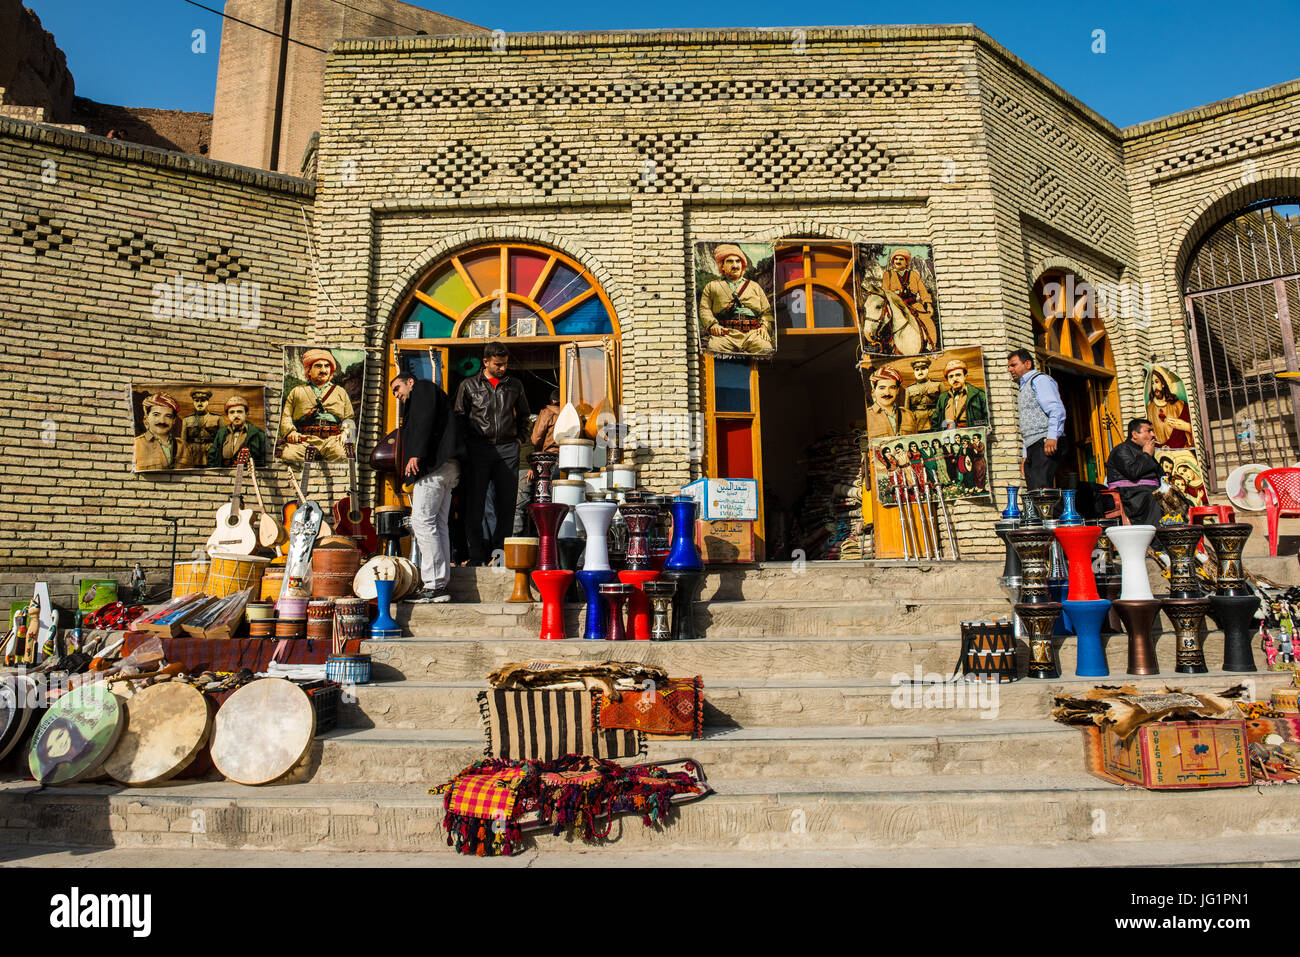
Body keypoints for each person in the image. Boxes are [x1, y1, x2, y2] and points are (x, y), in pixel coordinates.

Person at [454, 341, 531, 566]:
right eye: (498, 364)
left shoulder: (515, 385)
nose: (503, 369)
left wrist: (520, 439)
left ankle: (499, 554)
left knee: (507, 504)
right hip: (478, 449)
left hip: (508, 448)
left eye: (505, 364)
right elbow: (459, 416)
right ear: (485, 362)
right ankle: (476, 554)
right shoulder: (468, 385)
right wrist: (466, 446)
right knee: (475, 504)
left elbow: (524, 415)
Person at [392, 372, 465, 603]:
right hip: (448, 466)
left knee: (422, 521)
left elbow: (424, 419)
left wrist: (416, 454)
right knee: (438, 523)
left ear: (409, 382)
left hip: (433, 466)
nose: (396, 395)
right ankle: (439, 584)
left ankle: (433, 584)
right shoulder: (431, 393)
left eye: (397, 388)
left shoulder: (422, 389)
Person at [280, 348, 356, 464]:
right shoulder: (297, 391)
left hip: (332, 440)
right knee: (289, 456)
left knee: (344, 457)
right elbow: (286, 416)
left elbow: (349, 418)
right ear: (309, 371)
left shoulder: (340, 392)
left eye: (327, 366)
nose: (323, 370)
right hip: (304, 439)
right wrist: (290, 432)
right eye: (318, 366)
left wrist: (346, 432)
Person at [698, 244, 775, 355]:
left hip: (752, 333)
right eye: (730, 261)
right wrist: (712, 325)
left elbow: (766, 312)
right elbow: (704, 309)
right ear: (722, 266)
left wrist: (764, 326)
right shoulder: (712, 286)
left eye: (738, 261)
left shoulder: (754, 286)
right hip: (725, 333)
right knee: (714, 347)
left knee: (765, 348)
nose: (735, 265)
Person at [1008, 348, 1067, 490]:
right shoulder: (1023, 389)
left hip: (1044, 441)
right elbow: (1026, 424)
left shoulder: (1040, 380)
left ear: (1027, 364)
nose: (1010, 369)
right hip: (1033, 446)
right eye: (1009, 366)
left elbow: (1056, 409)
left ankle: (1056, 513)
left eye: (1013, 365)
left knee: (1042, 490)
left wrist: (1052, 436)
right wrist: (1025, 455)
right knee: (1035, 491)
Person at [1105, 418, 1164, 526]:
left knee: (1181, 502)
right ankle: (1155, 540)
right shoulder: (1121, 450)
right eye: (1149, 431)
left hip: (1146, 491)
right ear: (1135, 434)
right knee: (1154, 498)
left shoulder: (1145, 451)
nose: (1153, 434)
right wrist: (1146, 455)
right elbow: (1133, 472)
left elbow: (1160, 475)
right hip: (1131, 495)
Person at [879, 249, 937, 350]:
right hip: (896, 306)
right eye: (896, 259)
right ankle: (886, 347)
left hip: (913, 305)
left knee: (928, 321)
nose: (898, 261)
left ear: (906, 263)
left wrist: (928, 304)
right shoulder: (888, 275)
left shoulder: (913, 275)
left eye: (901, 259)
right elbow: (885, 292)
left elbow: (923, 291)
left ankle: (932, 345)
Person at [133, 392, 194, 471]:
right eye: (156, 414)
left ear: (174, 420)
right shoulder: (136, 444)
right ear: (146, 418)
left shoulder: (183, 446)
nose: (162, 421)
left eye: (168, 416)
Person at [207, 394, 268, 467]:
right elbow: (212, 456)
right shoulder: (221, 432)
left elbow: (264, 459)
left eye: (239, 412)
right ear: (228, 415)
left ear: (246, 414)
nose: (236, 415)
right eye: (232, 412)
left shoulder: (258, 433)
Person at [931, 358, 989, 431]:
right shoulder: (942, 398)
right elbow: (935, 422)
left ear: (965, 376)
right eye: (951, 376)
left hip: (970, 435)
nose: (955, 379)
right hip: (949, 436)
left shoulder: (978, 395)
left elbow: (987, 418)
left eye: (958, 375)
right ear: (948, 380)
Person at [1146, 365, 1193, 449]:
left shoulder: (1179, 405)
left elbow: (1192, 431)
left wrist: (1186, 426)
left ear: (1163, 384)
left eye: (1157, 382)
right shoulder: (1150, 408)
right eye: (1152, 384)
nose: (1155, 387)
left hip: (1180, 451)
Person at [864, 367, 918, 439]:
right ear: (873, 391)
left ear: (897, 391)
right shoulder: (867, 416)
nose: (887, 393)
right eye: (882, 388)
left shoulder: (908, 415)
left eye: (892, 387)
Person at [182, 390, 221, 464]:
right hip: (193, 453)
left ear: (207, 402)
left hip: (211, 452)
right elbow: (183, 441)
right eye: (196, 401)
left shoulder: (217, 418)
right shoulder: (187, 419)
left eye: (203, 400)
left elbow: (222, 440)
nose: (199, 403)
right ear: (193, 402)